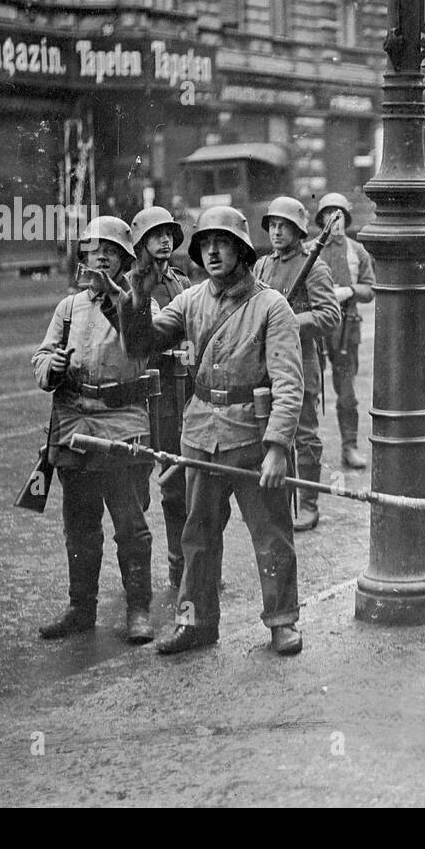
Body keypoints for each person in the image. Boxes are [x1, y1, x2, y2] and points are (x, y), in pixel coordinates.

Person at [118, 205, 306, 656]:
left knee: (271, 534)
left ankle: (282, 621)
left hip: (250, 437)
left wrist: (278, 447)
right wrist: (137, 300)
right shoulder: (192, 299)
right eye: (205, 243)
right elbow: (141, 345)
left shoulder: (271, 306)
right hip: (201, 431)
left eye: (222, 242)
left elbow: (288, 382)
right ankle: (196, 622)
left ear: (242, 250)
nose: (213, 250)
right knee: (197, 535)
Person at [33, 217, 156, 644]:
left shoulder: (138, 302)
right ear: (83, 256)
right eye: (93, 248)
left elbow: (141, 348)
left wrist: (120, 302)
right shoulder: (68, 308)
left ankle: (139, 608)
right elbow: (43, 355)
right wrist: (53, 366)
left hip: (120, 423)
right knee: (79, 522)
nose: (101, 255)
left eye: (111, 249)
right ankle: (80, 608)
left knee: (129, 522)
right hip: (74, 422)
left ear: (125, 258)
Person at [252, 197, 341, 532]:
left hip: (300, 360)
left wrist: (286, 320)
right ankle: (276, 500)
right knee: (269, 430)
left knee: (304, 434)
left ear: (298, 229)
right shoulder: (262, 266)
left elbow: (329, 316)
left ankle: (308, 503)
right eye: (272, 225)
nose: (276, 232)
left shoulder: (314, 266)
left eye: (283, 226)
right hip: (265, 361)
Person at [129, 206, 193, 589]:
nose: (165, 240)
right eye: (156, 235)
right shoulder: (131, 284)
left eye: (169, 233)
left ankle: (179, 562)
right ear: (140, 242)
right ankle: (135, 576)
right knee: (136, 488)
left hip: (175, 392)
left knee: (175, 479)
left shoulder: (183, 282)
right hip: (140, 396)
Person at [313, 193, 376, 472]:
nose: (334, 222)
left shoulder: (356, 251)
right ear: (322, 220)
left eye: (339, 216)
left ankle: (349, 447)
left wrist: (348, 291)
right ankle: (306, 449)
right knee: (306, 390)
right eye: (329, 216)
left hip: (346, 327)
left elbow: (370, 288)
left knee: (347, 394)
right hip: (314, 329)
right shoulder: (309, 250)